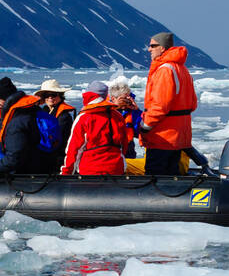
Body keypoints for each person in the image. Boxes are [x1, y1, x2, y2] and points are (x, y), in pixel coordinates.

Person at [140, 31, 197, 175]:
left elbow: (160, 105)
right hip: (179, 135)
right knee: (172, 173)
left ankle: (153, 198)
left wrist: (145, 126)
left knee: (155, 174)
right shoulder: (183, 70)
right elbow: (193, 104)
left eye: (153, 46)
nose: (149, 49)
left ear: (163, 48)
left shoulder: (165, 70)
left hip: (163, 136)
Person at [61, 82, 131, 176]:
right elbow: (124, 144)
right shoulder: (117, 116)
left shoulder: (84, 117)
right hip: (115, 168)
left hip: (89, 170)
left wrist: (66, 173)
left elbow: (74, 149)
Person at [0, 77, 43, 177]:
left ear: (7, 100)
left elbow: (13, 158)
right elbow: (2, 126)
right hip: (35, 164)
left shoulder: (16, 122)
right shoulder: (22, 112)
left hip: (24, 171)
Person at [33, 79, 76, 172]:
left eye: (53, 95)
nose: (50, 98)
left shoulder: (64, 116)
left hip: (58, 156)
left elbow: (58, 137)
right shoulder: (44, 112)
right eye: (46, 95)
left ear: (60, 96)